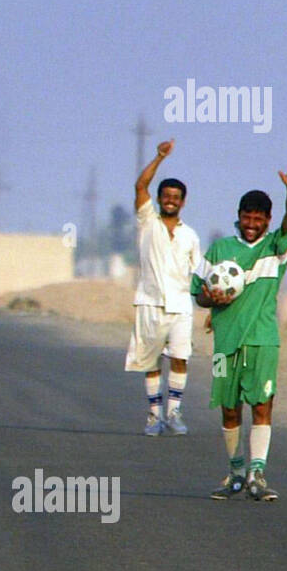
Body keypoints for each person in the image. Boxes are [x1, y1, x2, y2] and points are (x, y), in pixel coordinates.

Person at [191, 171, 287, 502]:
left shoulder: (275, 247)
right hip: (225, 344)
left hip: (262, 340)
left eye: (258, 218)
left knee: (262, 403)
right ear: (238, 217)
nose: (251, 223)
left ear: (268, 220)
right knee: (228, 408)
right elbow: (198, 294)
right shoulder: (219, 249)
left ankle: (257, 474)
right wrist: (213, 298)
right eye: (246, 217)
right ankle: (236, 473)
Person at [124, 139, 202, 436]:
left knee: (180, 357)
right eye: (166, 196)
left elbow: (199, 274)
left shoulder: (190, 235)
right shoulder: (147, 222)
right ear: (159, 199)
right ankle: (154, 416)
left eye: (176, 197)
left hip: (181, 305)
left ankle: (174, 412)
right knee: (151, 359)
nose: (171, 200)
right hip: (149, 301)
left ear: (183, 202)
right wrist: (159, 157)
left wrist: (210, 307)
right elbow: (139, 186)